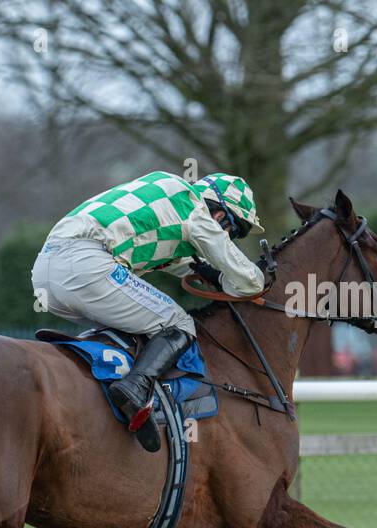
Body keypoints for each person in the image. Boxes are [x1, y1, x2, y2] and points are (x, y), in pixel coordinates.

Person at [32, 171, 267, 451]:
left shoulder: (166, 198)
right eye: (233, 228)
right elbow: (252, 282)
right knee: (178, 322)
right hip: (85, 264)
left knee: (141, 323)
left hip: (46, 270)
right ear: (219, 210)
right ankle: (135, 388)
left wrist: (211, 273)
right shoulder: (192, 205)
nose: (229, 236)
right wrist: (260, 275)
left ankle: (109, 385)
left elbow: (184, 263)